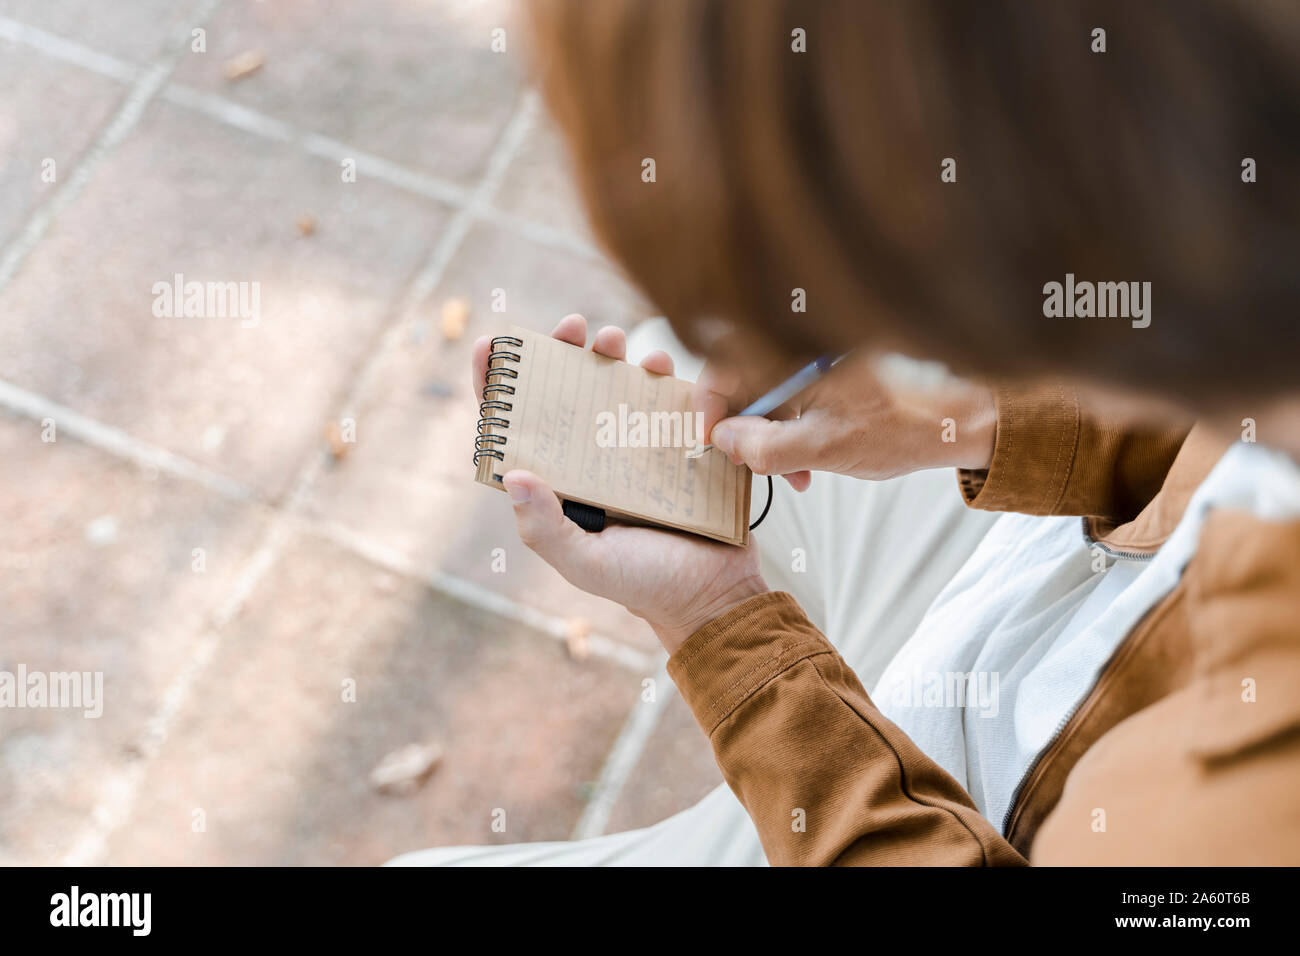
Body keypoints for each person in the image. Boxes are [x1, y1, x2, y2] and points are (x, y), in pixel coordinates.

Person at [394, 0, 1300, 865]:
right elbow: (1212, 414)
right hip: (1050, 596)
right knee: (689, 363)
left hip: (940, 809)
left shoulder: (1236, 828)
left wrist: (726, 631)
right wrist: (959, 422)